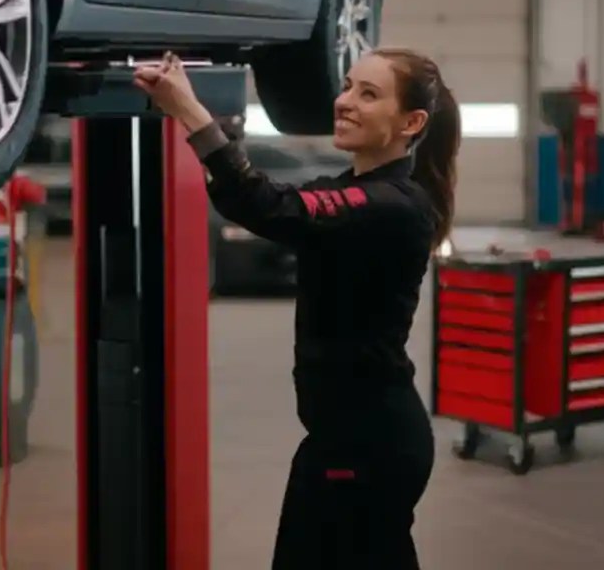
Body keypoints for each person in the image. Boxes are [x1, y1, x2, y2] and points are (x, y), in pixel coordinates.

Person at [133, 48, 461, 569]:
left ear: (411, 123)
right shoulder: (355, 191)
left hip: (367, 446)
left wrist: (190, 112)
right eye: (348, 85)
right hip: (346, 440)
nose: (345, 101)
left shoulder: (393, 205)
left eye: (368, 94)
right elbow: (252, 200)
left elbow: (268, 206)